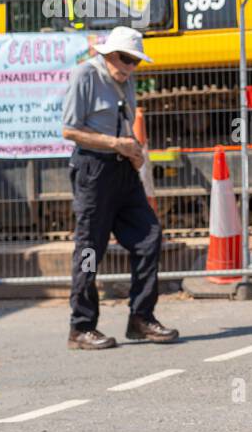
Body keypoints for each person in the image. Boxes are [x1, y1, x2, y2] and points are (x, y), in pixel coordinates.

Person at [61, 26, 178, 350]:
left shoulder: (126, 81)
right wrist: (116, 144)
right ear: (109, 54)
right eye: (126, 60)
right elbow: (69, 130)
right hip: (93, 169)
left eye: (135, 62)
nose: (130, 67)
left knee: (149, 237)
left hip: (122, 168)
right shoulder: (85, 75)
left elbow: (126, 123)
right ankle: (81, 327)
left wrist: (135, 150)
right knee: (89, 247)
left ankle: (141, 318)